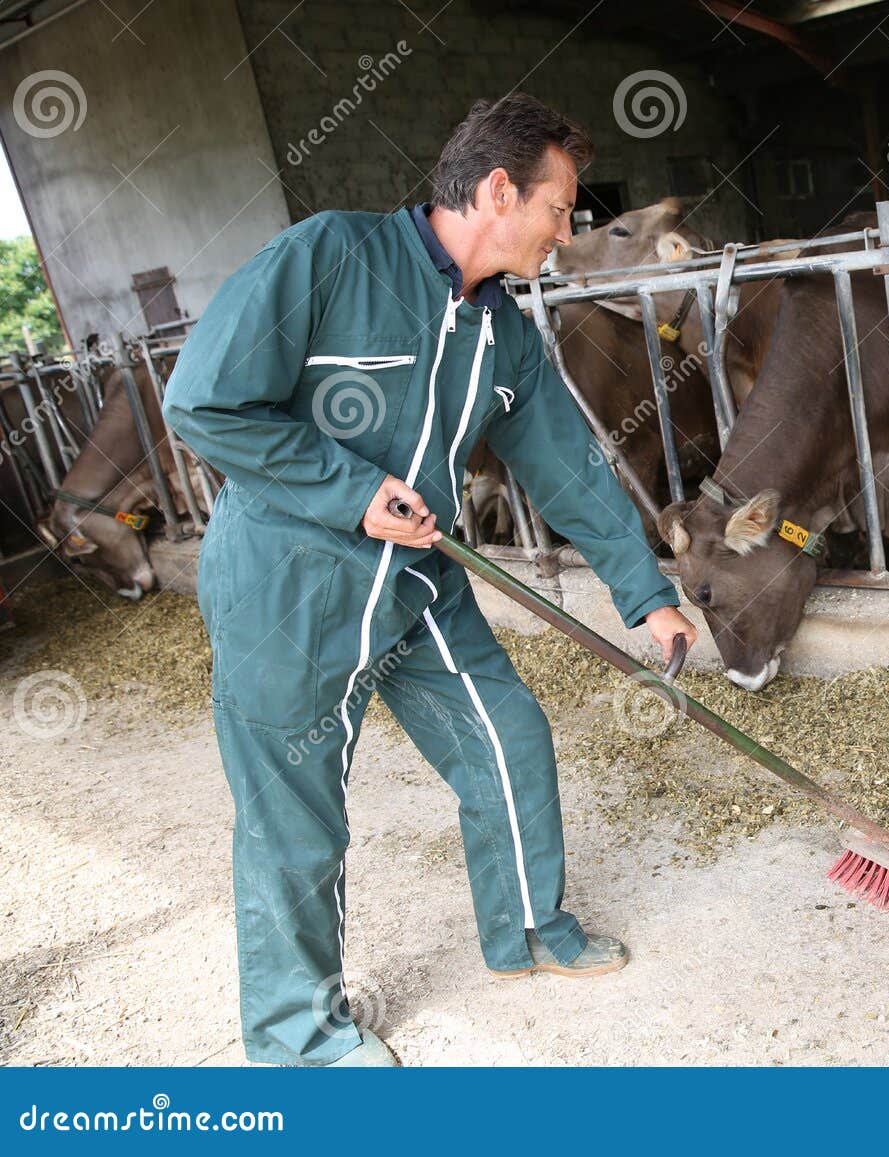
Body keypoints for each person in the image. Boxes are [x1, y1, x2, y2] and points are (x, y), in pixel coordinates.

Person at [163, 94, 698, 1067]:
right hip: (293, 592)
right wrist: (347, 487)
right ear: (499, 191)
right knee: (299, 826)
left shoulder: (503, 331)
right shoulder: (328, 258)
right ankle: (296, 1036)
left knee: (509, 736)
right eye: (558, 208)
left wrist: (645, 592)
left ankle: (527, 928)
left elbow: (569, 466)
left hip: (417, 582)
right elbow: (204, 403)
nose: (566, 231)